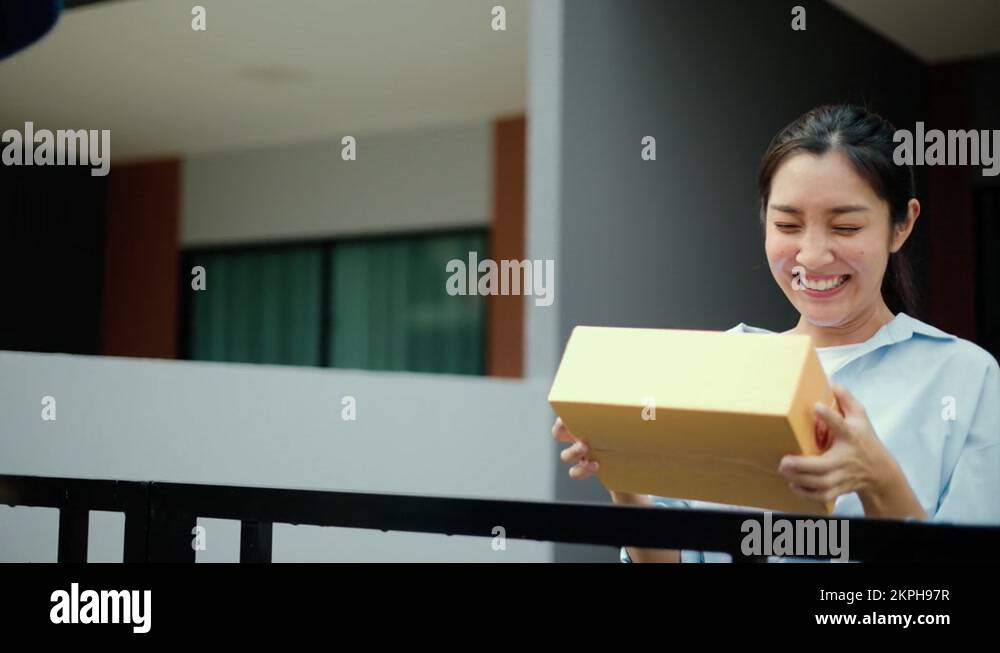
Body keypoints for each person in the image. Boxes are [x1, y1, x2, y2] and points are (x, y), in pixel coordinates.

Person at [553, 104, 1000, 563]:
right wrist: (623, 471)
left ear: (901, 224)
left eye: (846, 226)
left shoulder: (966, 377)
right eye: (787, 225)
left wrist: (877, 478)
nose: (812, 256)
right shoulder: (722, 362)